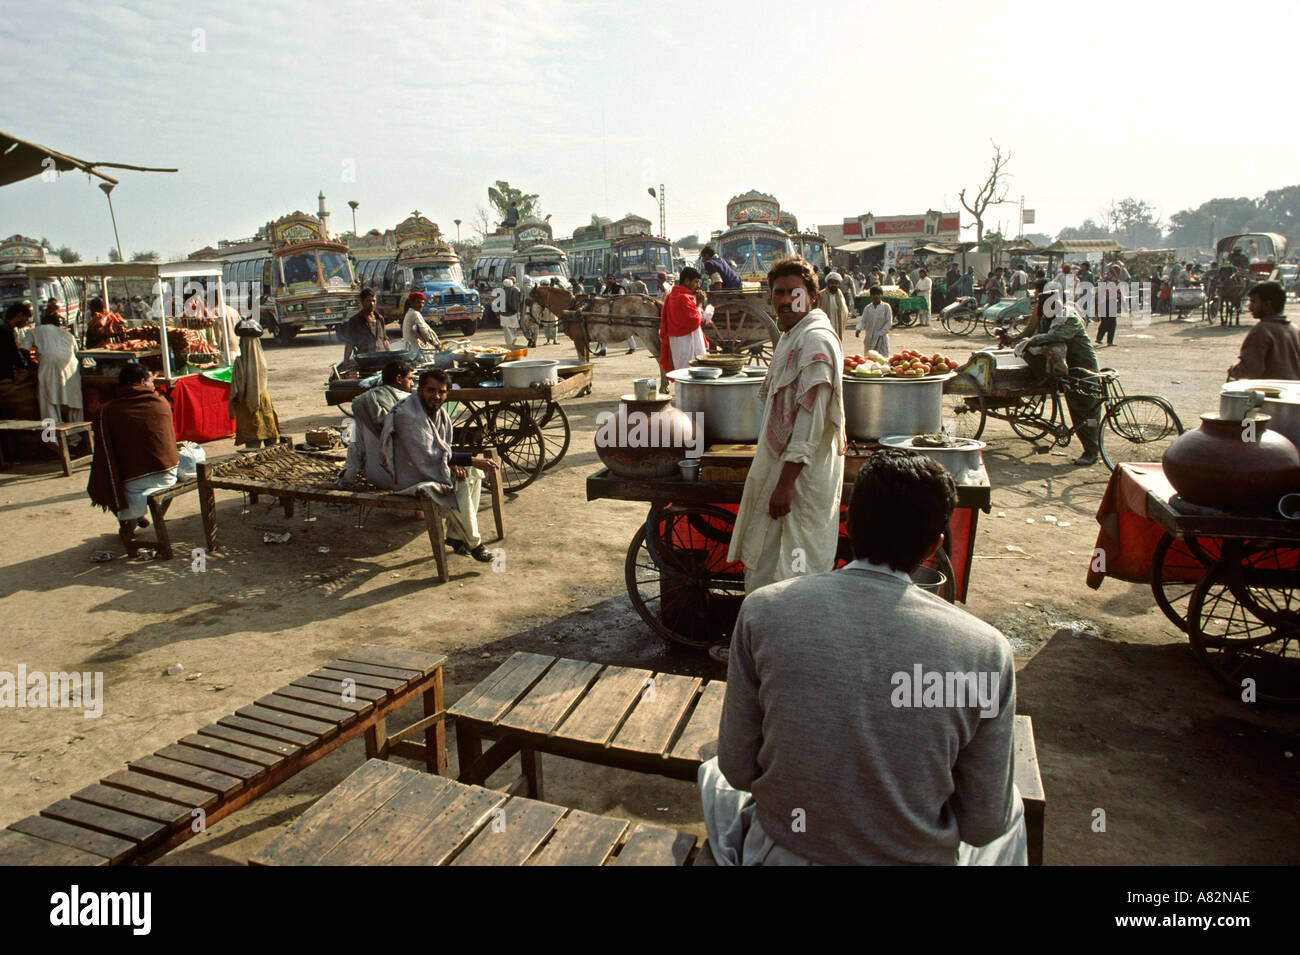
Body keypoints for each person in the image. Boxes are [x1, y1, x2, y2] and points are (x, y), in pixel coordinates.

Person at [700, 449, 1024, 866]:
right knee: (1010, 805)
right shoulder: (986, 650)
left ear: (847, 525)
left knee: (712, 776)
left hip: (785, 853)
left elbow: (738, 771)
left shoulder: (764, 610)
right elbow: (984, 824)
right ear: (933, 546)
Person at [727, 256, 844, 593]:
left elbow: (811, 421)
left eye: (793, 292)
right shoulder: (793, 334)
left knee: (793, 568)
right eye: (778, 292)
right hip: (783, 469)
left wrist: (786, 484)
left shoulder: (815, 341)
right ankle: (764, 638)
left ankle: (785, 641)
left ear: (812, 297)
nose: (784, 300)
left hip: (800, 479)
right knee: (766, 561)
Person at [381, 368, 498, 563]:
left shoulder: (440, 413)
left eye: (441, 392)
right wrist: (468, 459)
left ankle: (455, 537)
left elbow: (440, 450)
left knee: (473, 472)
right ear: (420, 390)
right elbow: (427, 455)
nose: (436, 396)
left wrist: (455, 464)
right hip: (406, 474)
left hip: (427, 467)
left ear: (447, 393)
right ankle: (475, 543)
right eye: (431, 390)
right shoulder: (408, 414)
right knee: (458, 482)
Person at [998, 283, 1102, 466]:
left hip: (1083, 368)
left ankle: (1092, 451)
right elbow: (1032, 332)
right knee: (1076, 409)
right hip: (1067, 370)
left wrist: (1029, 342)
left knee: (1087, 411)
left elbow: (1053, 337)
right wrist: (1017, 340)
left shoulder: (1069, 318)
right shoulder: (1048, 318)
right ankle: (1091, 448)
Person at [87, 363, 178, 557]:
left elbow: (104, 456)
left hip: (132, 482)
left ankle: (131, 523)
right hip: (167, 475)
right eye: (151, 380)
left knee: (106, 481)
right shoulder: (161, 403)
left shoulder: (106, 411)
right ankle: (139, 517)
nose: (153, 384)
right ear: (141, 382)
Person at [340, 359, 413, 487]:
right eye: (410, 378)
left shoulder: (364, 403)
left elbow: (355, 448)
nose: (412, 383)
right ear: (398, 379)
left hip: (378, 478)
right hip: (409, 478)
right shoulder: (412, 401)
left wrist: (344, 480)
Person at [19, 305, 83, 425]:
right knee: (73, 402)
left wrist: (32, 364)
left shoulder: (34, 331)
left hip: (48, 364)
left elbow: (23, 348)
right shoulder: (68, 334)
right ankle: (76, 437)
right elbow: (76, 352)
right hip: (70, 365)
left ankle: (52, 439)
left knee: (48, 402)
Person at [1227, 281, 1300, 381]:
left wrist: (1233, 371)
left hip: (1268, 391)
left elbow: (1252, 369)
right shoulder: (1294, 329)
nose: (1250, 307)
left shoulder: (1261, 331)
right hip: (1293, 391)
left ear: (1267, 305)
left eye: (1253, 302)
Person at [227, 319, 281, 448]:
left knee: (252, 443)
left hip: (246, 403)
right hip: (263, 398)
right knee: (270, 437)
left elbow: (237, 389)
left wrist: (232, 402)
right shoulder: (261, 359)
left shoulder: (240, 363)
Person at [658, 267, 712, 377]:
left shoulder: (675, 295)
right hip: (686, 341)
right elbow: (692, 321)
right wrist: (700, 303)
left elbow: (693, 315)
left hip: (680, 340)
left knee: (683, 372)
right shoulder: (683, 297)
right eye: (696, 282)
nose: (698, 285)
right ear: (687, 281)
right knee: (689, 373)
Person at [341, 289, 390, 361]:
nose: (372, 304)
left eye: (373, 301)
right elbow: (349, 344)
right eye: (368, 300)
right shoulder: (354, 321)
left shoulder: (380, 319)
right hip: (365, 361)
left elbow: (385, 340)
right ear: (361, 301)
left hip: (381, 358)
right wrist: (345, 361)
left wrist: (391, 355)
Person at [855, 285, 892, 356]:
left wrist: (880, 333)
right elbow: (863, 320)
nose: (876, 296)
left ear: (881, 295)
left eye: (878, 294)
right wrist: (858, 329)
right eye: (874, 294)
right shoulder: (868, 308)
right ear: (871, 296)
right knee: (870, 359)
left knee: (882, 358)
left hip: (881, 337)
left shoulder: (886, 307)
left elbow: (888, 322)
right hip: (870, 337)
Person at [817, 271, 854, 339]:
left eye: (836, 283)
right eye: (832, 283)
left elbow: (844, 311)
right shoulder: (821, 294)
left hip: (837, 323)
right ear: (828, 283)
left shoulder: (840, 294)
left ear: (839, 284)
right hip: (825, 324)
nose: (834, 285)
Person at [1094, 266, 1120, 347]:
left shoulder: (1106, 279)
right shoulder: (1109, 280)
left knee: (1106, 321)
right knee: (1111, 322)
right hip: (1107, 302)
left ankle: (1100, 338)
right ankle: (1108, 341)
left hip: (1105, 302)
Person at [498, 277, 524, 348]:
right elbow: (518, 301)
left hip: (503, 314)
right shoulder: (515, 290)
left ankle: (509, 342)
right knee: (513, 327)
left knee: (506, 329)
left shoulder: (501, 291)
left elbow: (498, 303)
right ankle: (513, 339)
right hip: (513, 313)